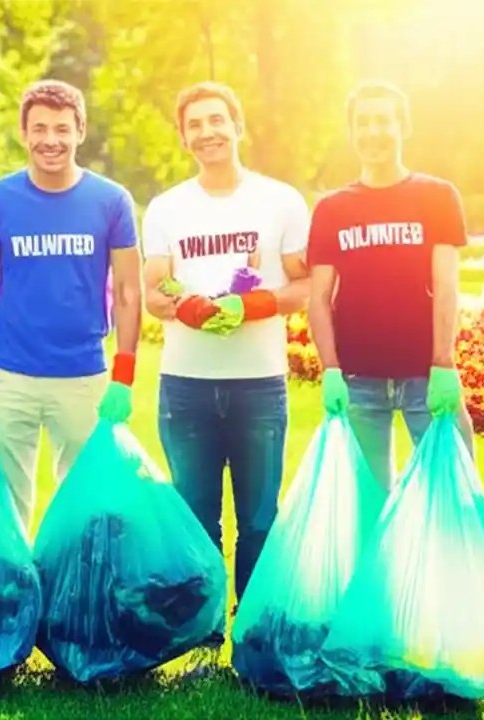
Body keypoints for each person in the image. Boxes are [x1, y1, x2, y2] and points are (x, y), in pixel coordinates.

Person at [141, 81, 311, 670]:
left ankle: (256, 635)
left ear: (238, 125)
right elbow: (153, 289)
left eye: (217, 120)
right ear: (183, 136)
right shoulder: (167, 208)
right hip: (185, 385)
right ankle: (205, 639)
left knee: (260, 518)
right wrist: (186, 306)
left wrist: (253, 304)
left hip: (259, 383)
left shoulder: (280, 201)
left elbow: (305, 286)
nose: (207, 132)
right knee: (196, 517)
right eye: (195, 124)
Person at [0, 79, 143, 531]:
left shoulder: (111, 200)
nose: (50, 140)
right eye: (39, 129)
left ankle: (71, 576)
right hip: (9, 372)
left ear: (80, 131)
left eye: (61, 129)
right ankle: (14, 577)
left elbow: (129, 290)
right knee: (4, 500)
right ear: (24, 133)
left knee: (85, 500)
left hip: (82, 373)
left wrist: (124, 376)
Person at [307, 81, 476, 490]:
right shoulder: (332, 208)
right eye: (363, 123)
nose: (373, 132)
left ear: (404, 126)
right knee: (371, 505)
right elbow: (319, 298)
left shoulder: (437, 197)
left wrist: (443, 363)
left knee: (451, 493)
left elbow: (446, 286)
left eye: (383, 120)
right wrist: (331, 369)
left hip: (426, 375)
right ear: (352, 133)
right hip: (359, 380)